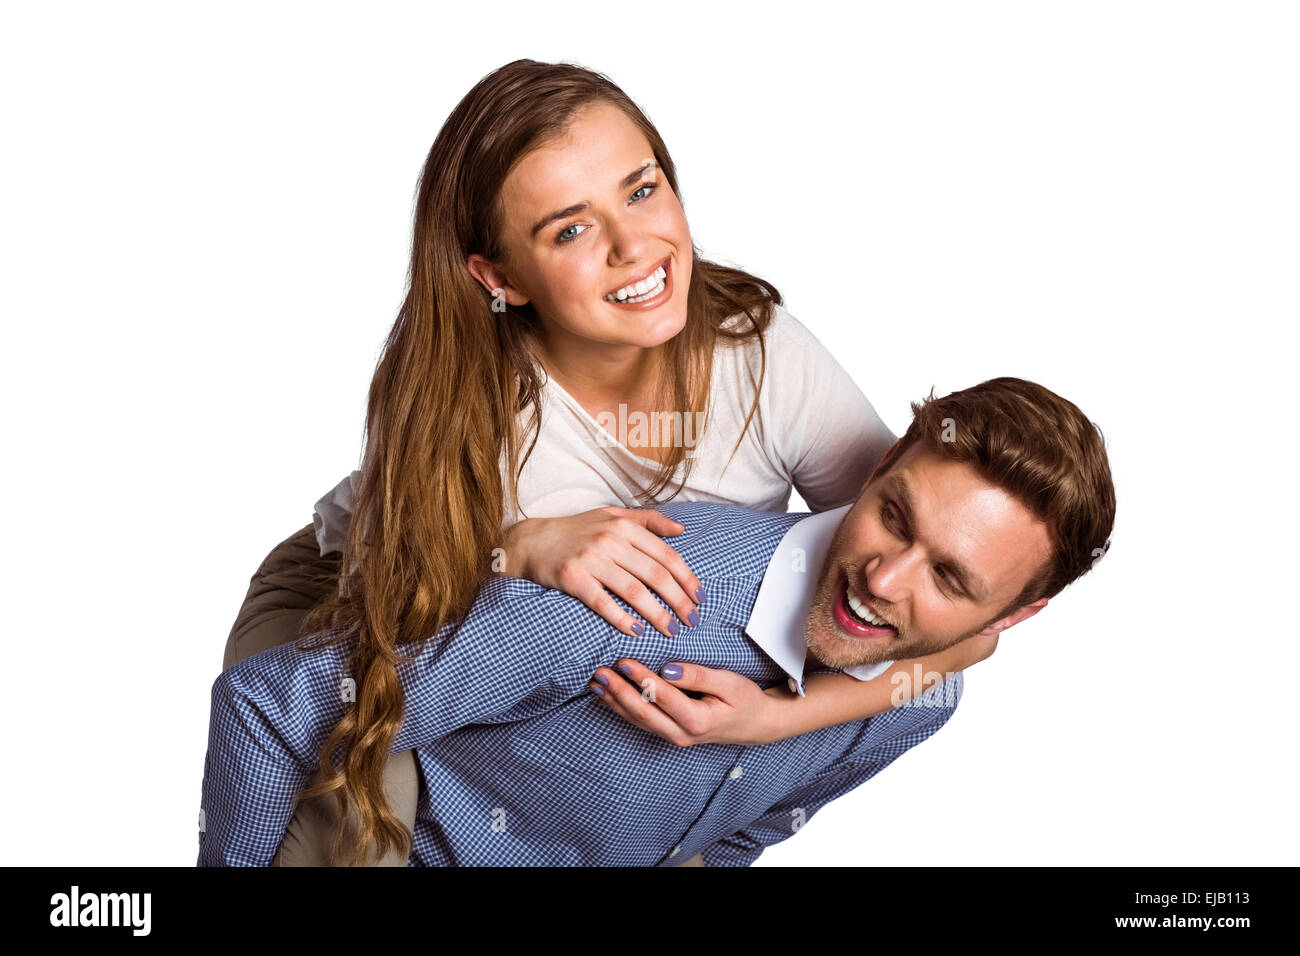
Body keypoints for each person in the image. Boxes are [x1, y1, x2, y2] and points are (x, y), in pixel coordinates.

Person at [220, 57, 977, 867]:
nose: (632, 245)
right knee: (360, 831)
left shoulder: (763, 356)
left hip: (534, 658)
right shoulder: (475, 405)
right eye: (570, 229)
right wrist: (520, 545)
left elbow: (954, 627)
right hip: (363, 600)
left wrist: (772, 722)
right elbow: (402, 600)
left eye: (642, 189)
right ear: (500, 276)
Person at [198, 376, 1116, 866]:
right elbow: (273, 704)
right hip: (367, 644)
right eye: (894, 516)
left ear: (1015, 614)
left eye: (950, 579)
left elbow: (751, 826)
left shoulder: (920, 701)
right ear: (879, 469)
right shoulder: (640, 591)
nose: (884, 578)